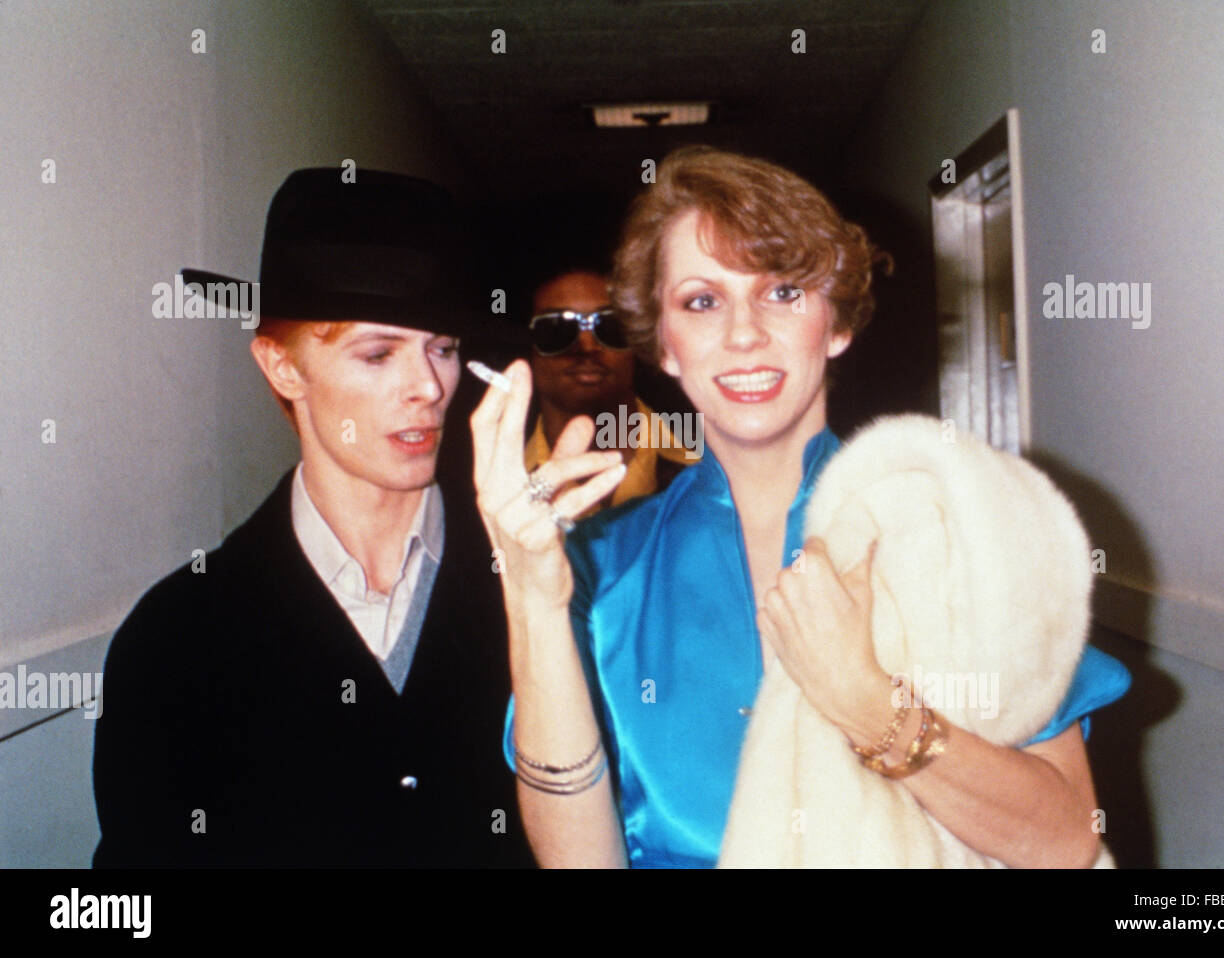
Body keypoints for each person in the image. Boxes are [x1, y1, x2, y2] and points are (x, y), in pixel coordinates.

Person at [470, 146, 1131, 868]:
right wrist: (533, 597)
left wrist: (870, 709)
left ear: (838, 324)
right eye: (702, 301)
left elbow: (1067, 838)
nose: (744, 332)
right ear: (663, 344)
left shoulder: (962, 527)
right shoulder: (602, 569)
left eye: (782, 291)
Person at [93, 168, 533, 867]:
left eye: (443, 347)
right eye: (379, 352)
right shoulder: (178, 639)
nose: (428, 385)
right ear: (283, 367)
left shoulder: (540, 586)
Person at [525, 270, 693, 516]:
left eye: (610, 326)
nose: (587, 346)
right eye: (557, 330)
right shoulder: (495, 486)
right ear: (529, 349)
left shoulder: (715, 464)